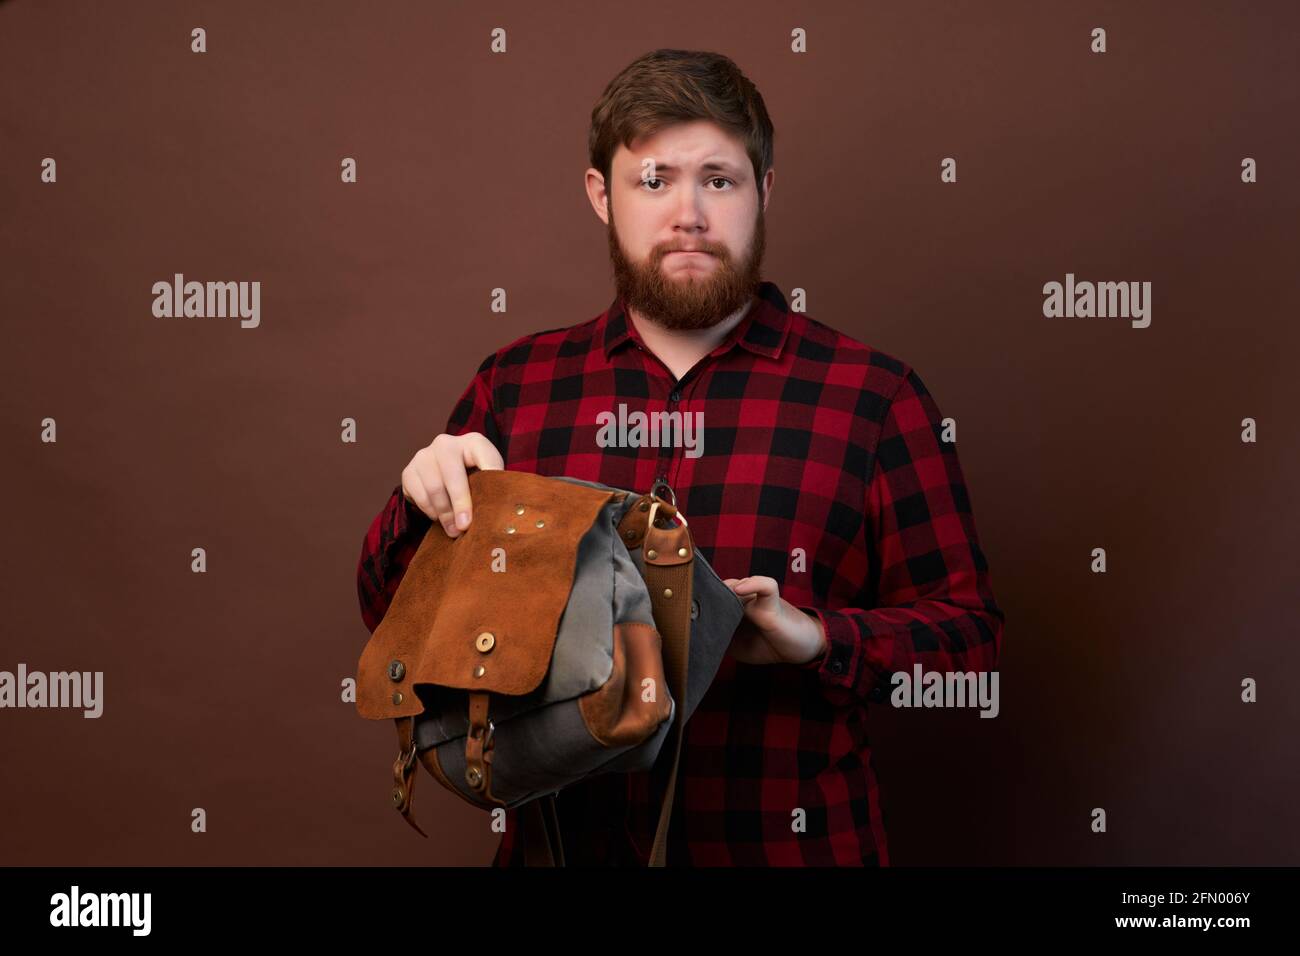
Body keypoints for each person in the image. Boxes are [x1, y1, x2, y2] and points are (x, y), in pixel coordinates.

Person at [356, 48, 1004, 866]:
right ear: (603, 196)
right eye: (654, 180)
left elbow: (970, 646)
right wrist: (416, 506)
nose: (688, 213)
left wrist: (819, 639)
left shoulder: (874, 397)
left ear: (764, 192)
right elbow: (391, 617)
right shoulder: (515, 387)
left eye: (720, 180)